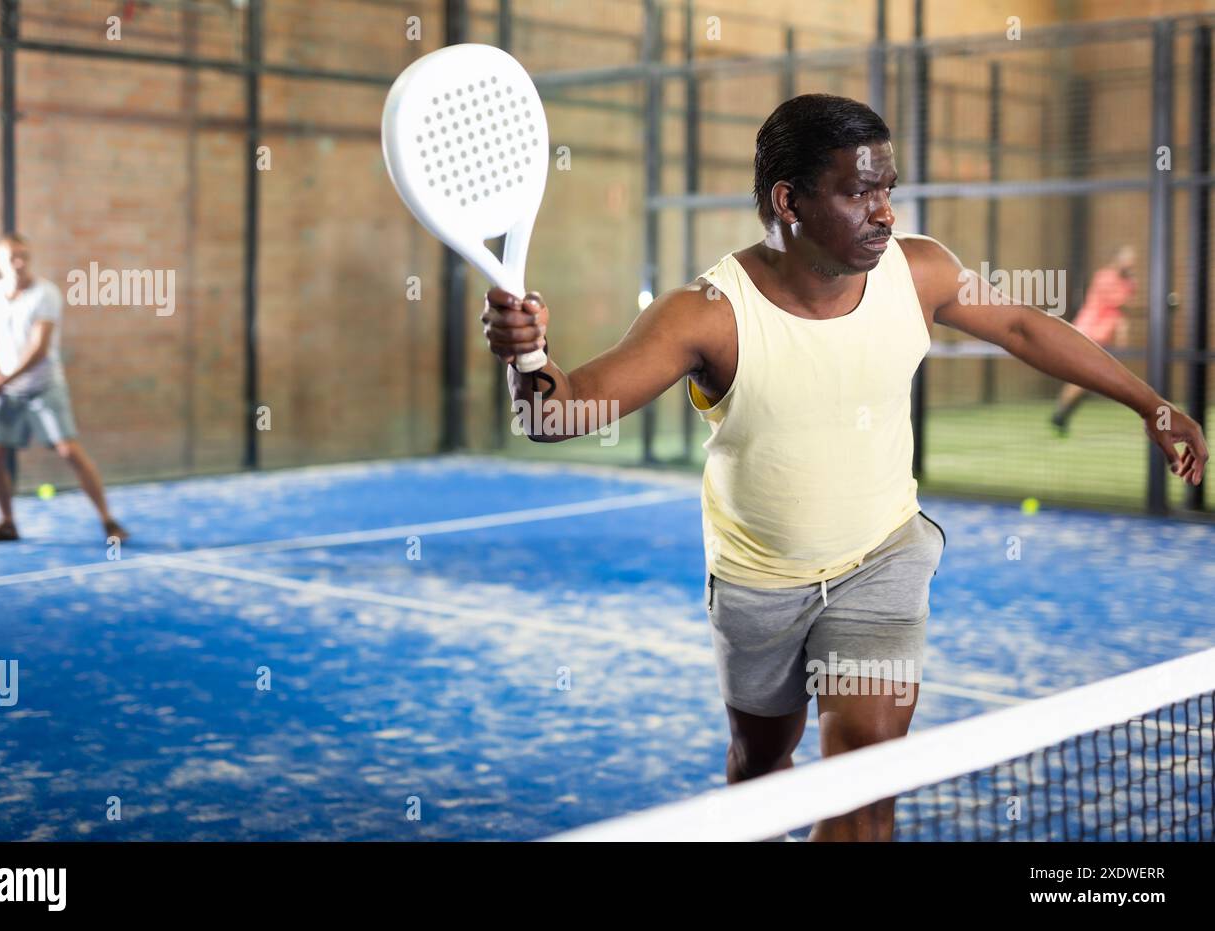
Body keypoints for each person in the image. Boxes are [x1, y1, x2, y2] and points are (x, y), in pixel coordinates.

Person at [480, 94, 1208, 841]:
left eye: (888, 188)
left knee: (863, 788)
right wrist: (528, 355)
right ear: (787, 201)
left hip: (880, 560)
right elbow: (556, 414)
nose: (885, 212)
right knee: (761, 769)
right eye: (860, 192)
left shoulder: (920, 271)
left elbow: (1023, 324)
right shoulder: (706, 314)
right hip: (758, 581)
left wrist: (1150, 403)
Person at [0, 233, 128, 544]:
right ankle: (7, 522)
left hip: (44, 385)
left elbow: (39, 349)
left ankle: (108, 520)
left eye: (24, 256)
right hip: (6, 390)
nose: (20, 263)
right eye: (12, 257)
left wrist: (1, 380)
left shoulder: (46, 294)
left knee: (68, 449)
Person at [1050, 245, 1137, 435]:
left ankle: (1062, 416)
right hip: (1088, 331)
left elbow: (1121, 313)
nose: (1131, 262)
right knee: (1084, 378)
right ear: (1117, 258)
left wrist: (1122, 335)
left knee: (1088, 380)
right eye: (1128, 257)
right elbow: (1120, 304)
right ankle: (1060, 414)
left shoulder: (1128, 282)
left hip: (1103, 336)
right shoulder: (1104, 277)